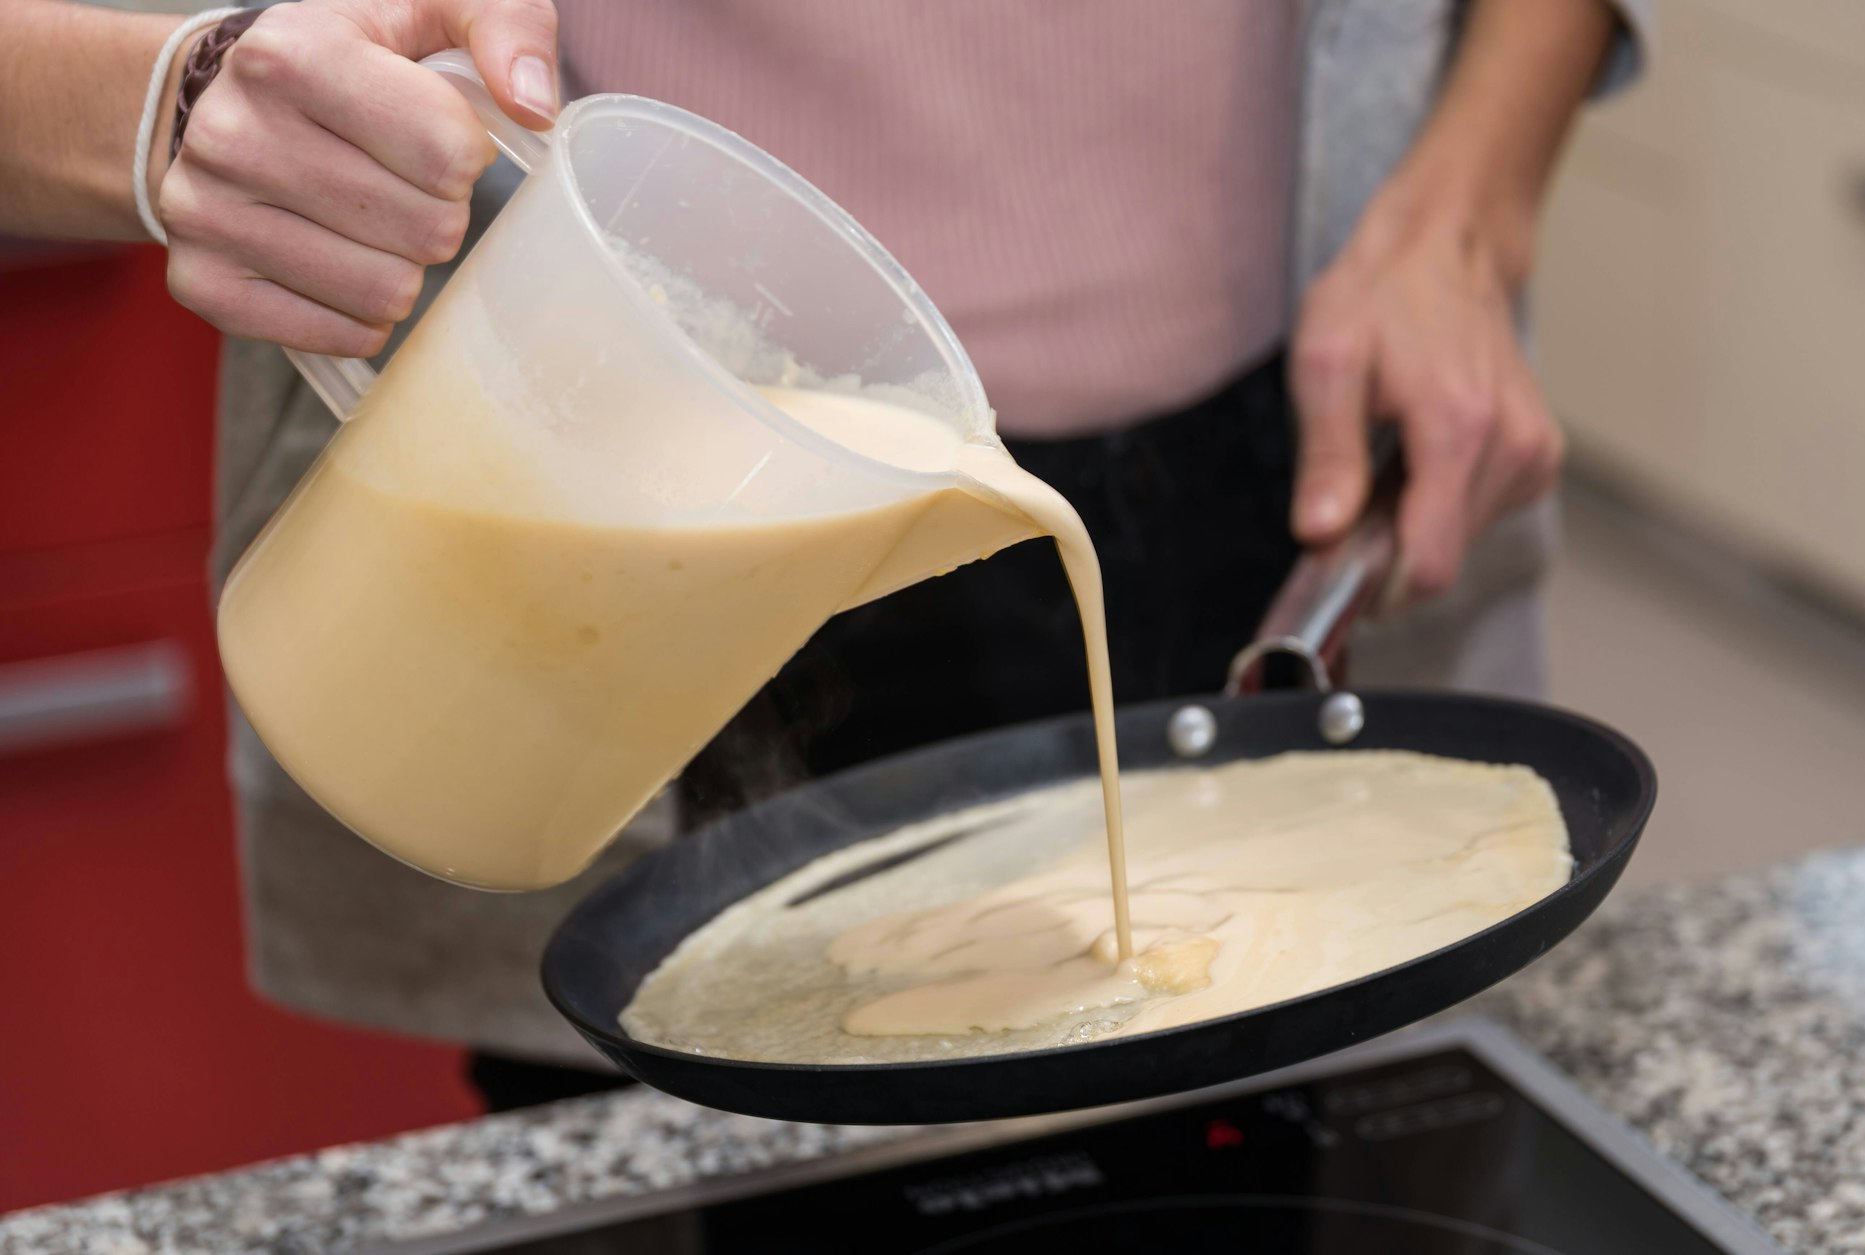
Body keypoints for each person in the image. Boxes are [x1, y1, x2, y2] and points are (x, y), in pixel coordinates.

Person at [2, 0, 1649, 1110]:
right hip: (619, 488)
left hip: (1293, 443)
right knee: (662, 1120)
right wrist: (170, 99)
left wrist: (1467, 205)